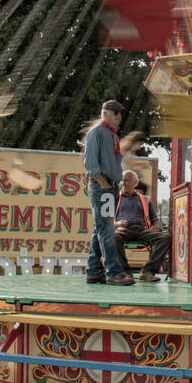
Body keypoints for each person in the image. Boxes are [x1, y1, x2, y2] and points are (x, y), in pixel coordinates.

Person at [84, 99, 134, 285]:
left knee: (101, 228)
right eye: (115, 112)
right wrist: (103, 183)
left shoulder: (111, 134)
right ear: (104, 113)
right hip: (101, 186)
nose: (119, 116)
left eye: (120, 112)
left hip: (109, 186)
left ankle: (93, 271)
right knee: (107, 230)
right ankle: (113, 273)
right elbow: (90, 162)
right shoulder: (96, 132)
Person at [114, 170, 170, 282]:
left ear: (135, 182)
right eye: (122, 180)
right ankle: (126, 272)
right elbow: (107, 221)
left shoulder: (144, 199)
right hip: (122, 230)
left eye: (127, 180)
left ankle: (147, 271)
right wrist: (117, 224)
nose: (123, 183)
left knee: (166, 237)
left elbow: (155, 220)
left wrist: (155, 227)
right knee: (113, 237)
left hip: (141, 230)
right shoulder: (115, 198)